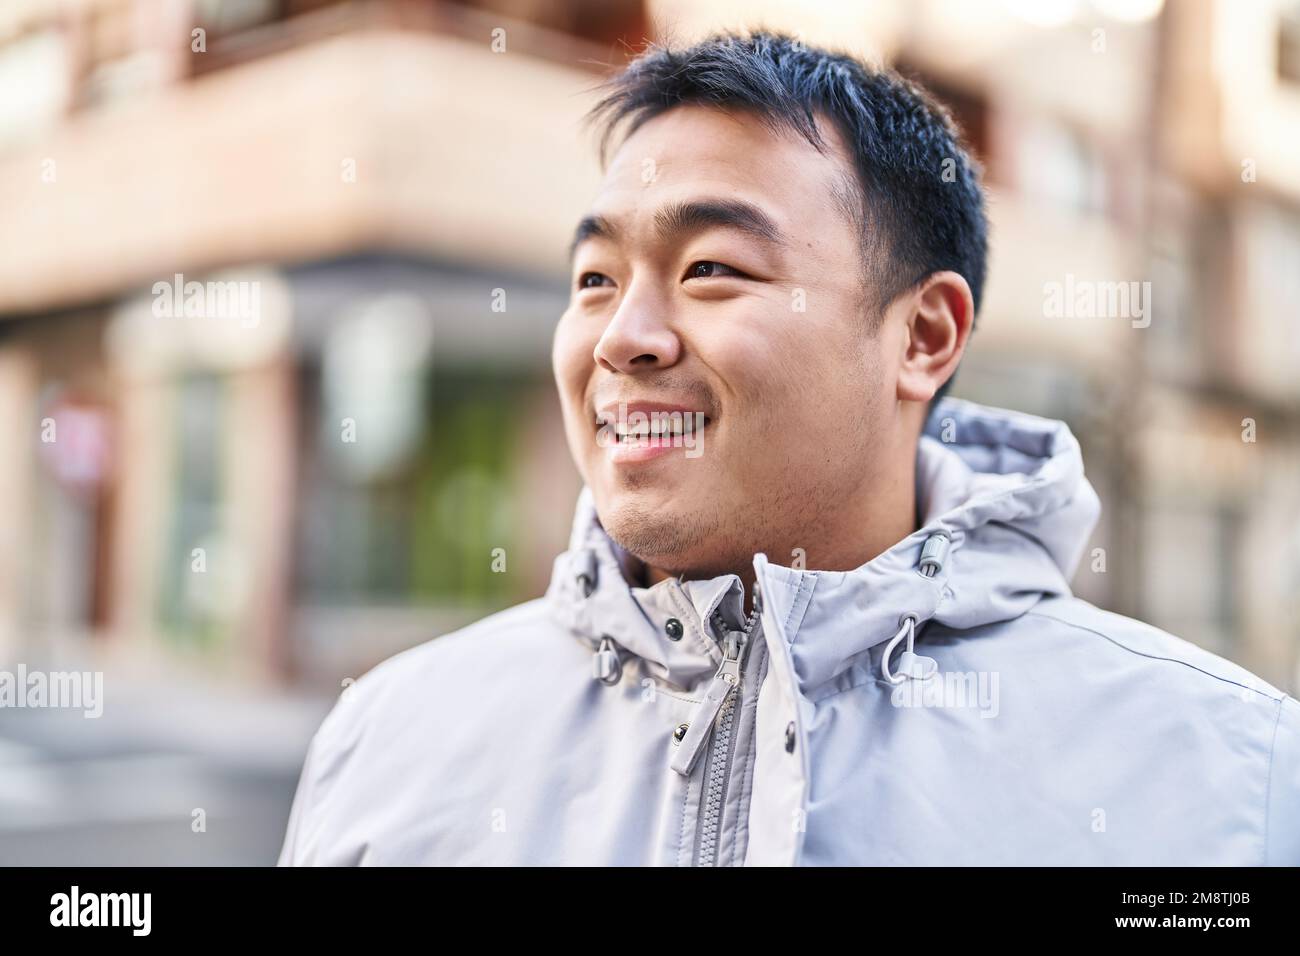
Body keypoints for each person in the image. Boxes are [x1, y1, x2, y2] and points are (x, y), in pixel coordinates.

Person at [278, 30, 1299, 866]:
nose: (624, 337)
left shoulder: (1230, 774)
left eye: (711, 268)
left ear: (923, 335)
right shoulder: (389, 735)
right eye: (594, 279)